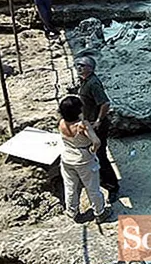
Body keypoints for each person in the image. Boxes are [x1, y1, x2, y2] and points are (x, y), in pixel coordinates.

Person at [58, 95, 112, 223]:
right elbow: (97, 142)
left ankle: (72, 212)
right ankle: (100, 212)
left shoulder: (61, 123)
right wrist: (92, 150)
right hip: (83, 160)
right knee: (92, 188)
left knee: (70, 186)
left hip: (67, 158)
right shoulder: (82, 125)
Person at [75, 56, 120, 202]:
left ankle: (112, 186)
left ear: (90, 68)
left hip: (96, 125)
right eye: (77, 65)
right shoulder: (85, 81)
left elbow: (105, 103)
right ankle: (101, 179)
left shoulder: (93, 83)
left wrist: (99, 120)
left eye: (82, 65)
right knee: (93, 153)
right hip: (89, 124)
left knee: (100, 155)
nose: (78, 67)